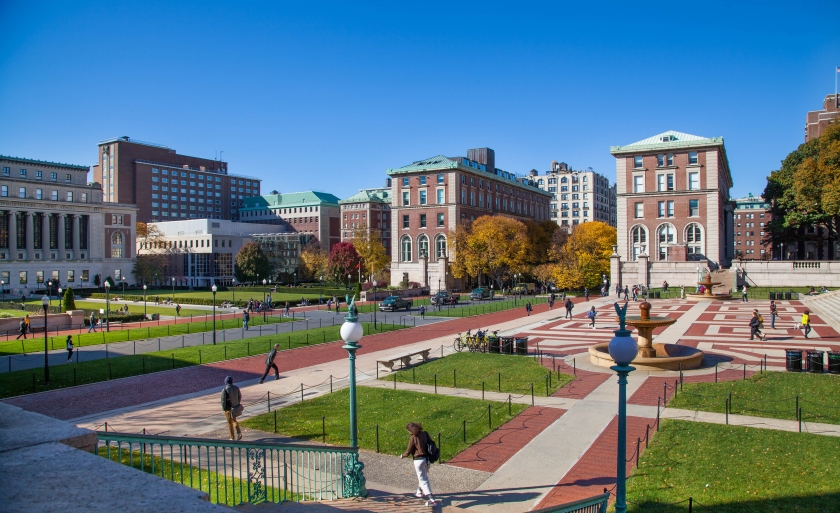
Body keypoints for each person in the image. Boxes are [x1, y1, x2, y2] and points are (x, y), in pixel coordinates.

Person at [400, 422, 438, 507]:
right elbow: (431, 442)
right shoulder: (425, 434)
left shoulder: (413, 438)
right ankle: (419, 491)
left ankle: (431, 499)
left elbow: (408, 451)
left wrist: (402, 456)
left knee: (423, 479)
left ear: (410, 430)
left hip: (418, 461)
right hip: (426, 459)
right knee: (424, 476)